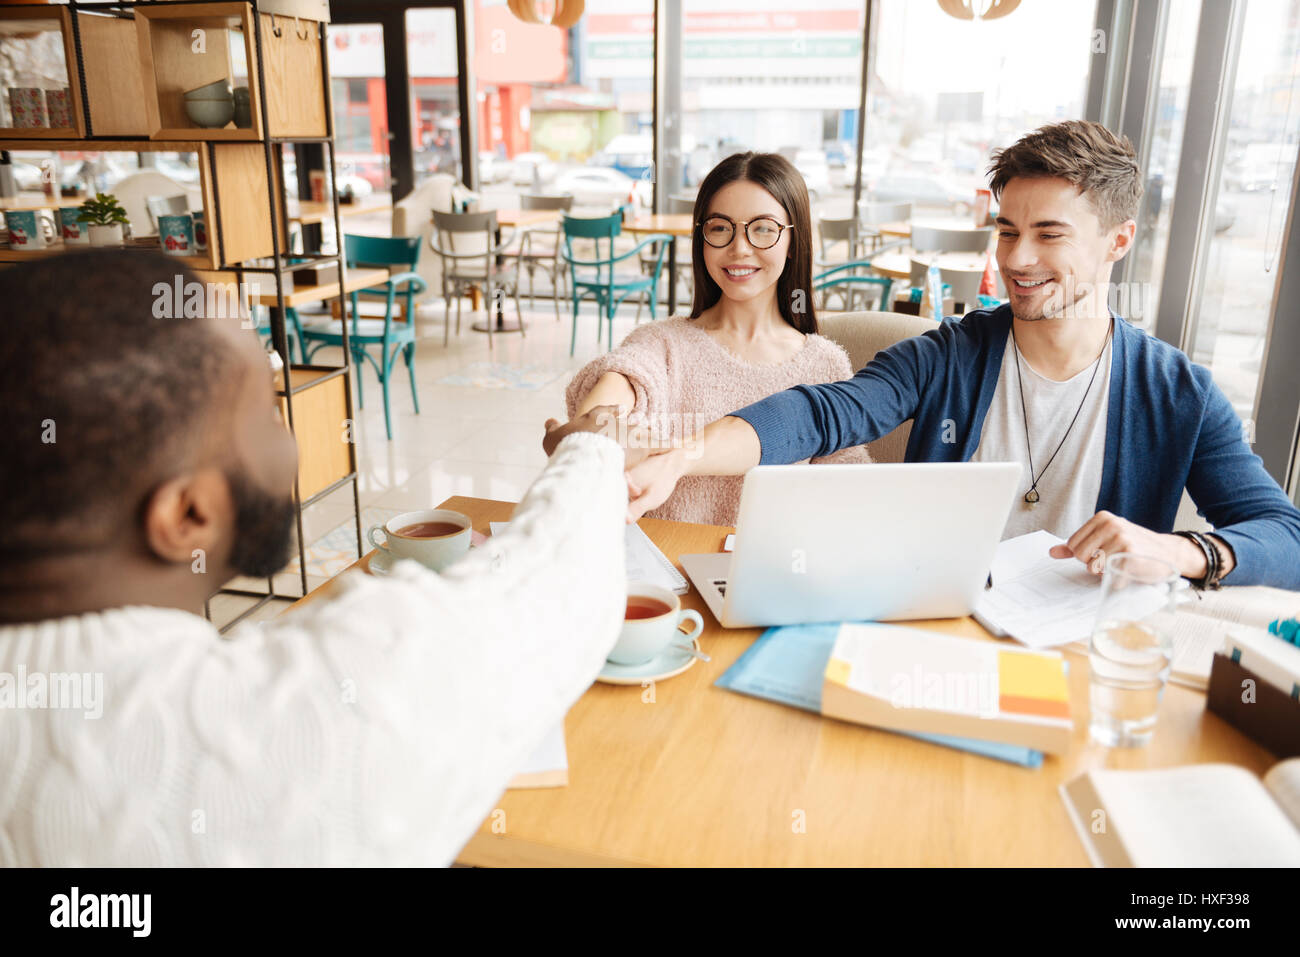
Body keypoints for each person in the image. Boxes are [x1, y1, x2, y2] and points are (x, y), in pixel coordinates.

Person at [0, 250, 629, 866]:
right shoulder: (289, 718)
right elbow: (553, 593)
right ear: (188, 514)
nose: (291, 440)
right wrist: (591, 450)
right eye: (270, 416)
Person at [621, 121, 1300, 590]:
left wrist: (1180, 550)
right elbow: (822, 411)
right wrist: (683, 453)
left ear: (1118, 241)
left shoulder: (1178, 392)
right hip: (934, 626)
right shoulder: (950, 356)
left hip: (1082, 653)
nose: (1017, 259)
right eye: (1006, 231)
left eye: (1048, 234)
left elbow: (1286, 537)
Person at [544, 151, 870, 525]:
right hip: (664, 574)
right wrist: (589, 431)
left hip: (773, 572)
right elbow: (618, 388)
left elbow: (845, 489)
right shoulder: (661, 344)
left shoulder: (825, 363)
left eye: (763, 228)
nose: (740, 248)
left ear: (793, 241)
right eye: (720, 227)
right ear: (701, 238)